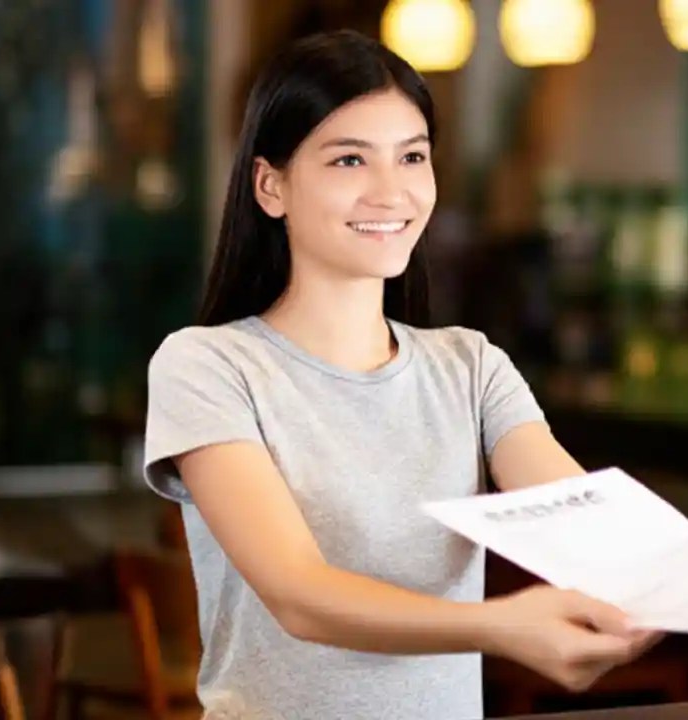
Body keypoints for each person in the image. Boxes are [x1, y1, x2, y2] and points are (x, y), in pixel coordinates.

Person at [142, 30, 658, 719]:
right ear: (271, 186)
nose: (391, 192)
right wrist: (498, 627)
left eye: (412, 156)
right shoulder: (208, 367)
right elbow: (299, 595)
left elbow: (589, 524)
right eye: (349, 159)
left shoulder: (471, 368)